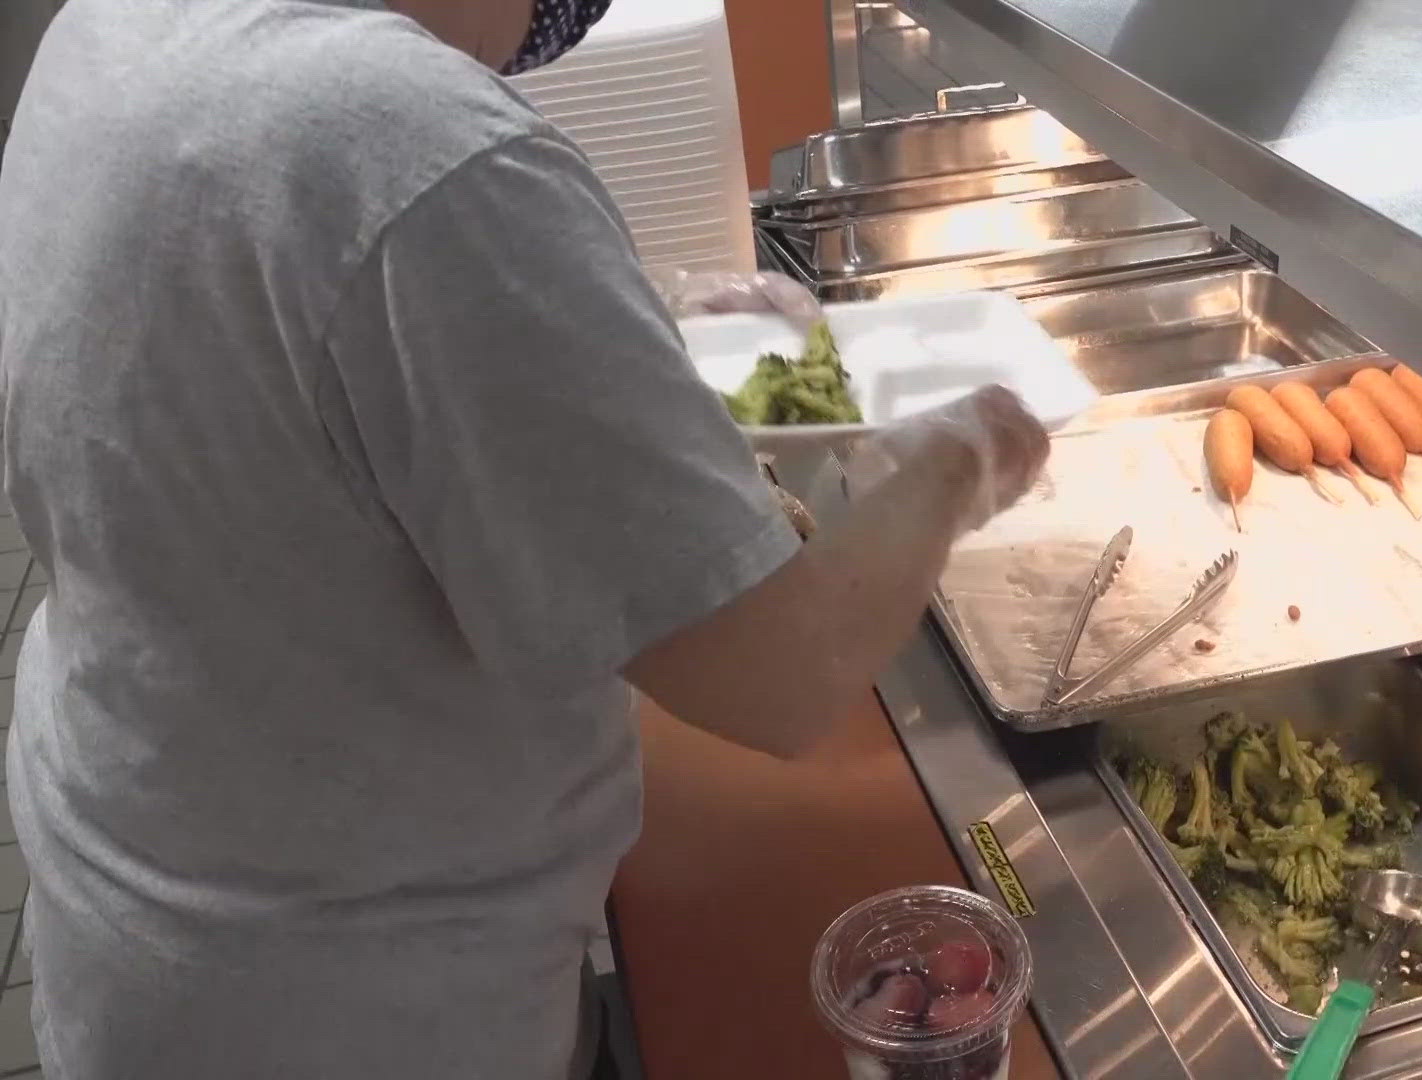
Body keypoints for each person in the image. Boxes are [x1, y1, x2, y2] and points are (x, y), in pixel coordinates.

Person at [0, 0, 1051, 1076]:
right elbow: (777, 675)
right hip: (351, 1006)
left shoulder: (119, 23)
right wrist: (958, 458)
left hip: (149, 897)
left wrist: (619, 341)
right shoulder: (415, 144)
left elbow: (299, 384)